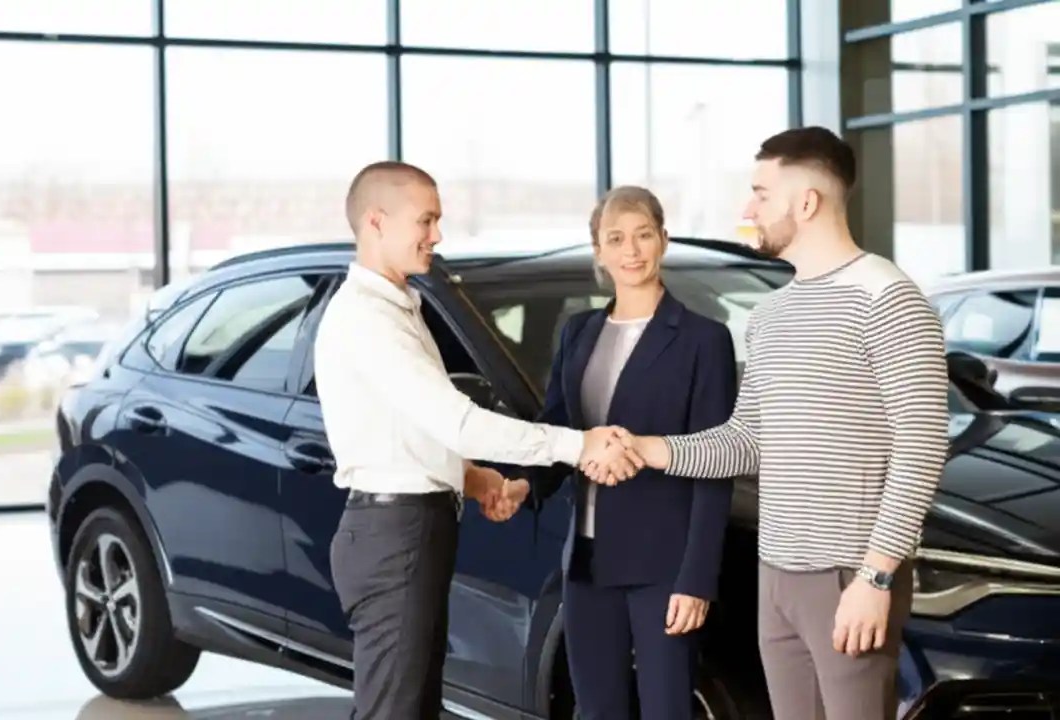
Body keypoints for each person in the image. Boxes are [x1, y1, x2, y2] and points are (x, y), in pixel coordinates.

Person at [623, 126, 948, 720]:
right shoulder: (771, 314)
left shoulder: (888, 298)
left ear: (806, 203)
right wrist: (647, 449)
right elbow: (747, 440)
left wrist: (876, 577)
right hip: (776, 575)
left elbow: (922, 445)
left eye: (760, 193)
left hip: (849, 573)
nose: (749, 210)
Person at [313, 160, 643, 720]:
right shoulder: (369, 320)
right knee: (395, 711)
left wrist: (473, 477)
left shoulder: (399, 308)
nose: (437, 235)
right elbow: (458, 422)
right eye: (426, 220)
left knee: (412, 707)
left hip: (411, 528)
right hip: (397, 532)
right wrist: (580, 445)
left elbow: (407, 429)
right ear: (376, 222)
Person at [514, 186, 738, 719]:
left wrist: (697, 579)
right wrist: (522, 483)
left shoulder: (703, 340)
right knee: (597, 711)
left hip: (664, 563)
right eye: (616, 238)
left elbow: (717, 462)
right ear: (598, 250)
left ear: (663, 239)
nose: (631, 250)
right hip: (589, 562)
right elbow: (559, 429)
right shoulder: (579, 332)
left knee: (666, 710)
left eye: (643, 235)